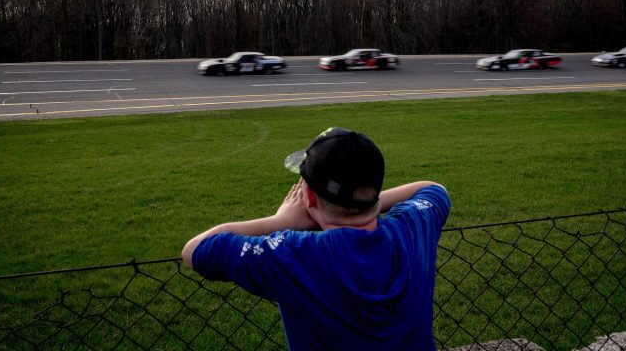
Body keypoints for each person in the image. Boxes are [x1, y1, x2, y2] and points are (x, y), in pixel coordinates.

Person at [182, 127, 450, 350]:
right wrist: (367, 205)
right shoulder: (414, 228)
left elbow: (195, 249)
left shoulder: (292, 255)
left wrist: (281, 221)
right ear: (374, 190)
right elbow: (433, 189)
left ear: (308, 197)